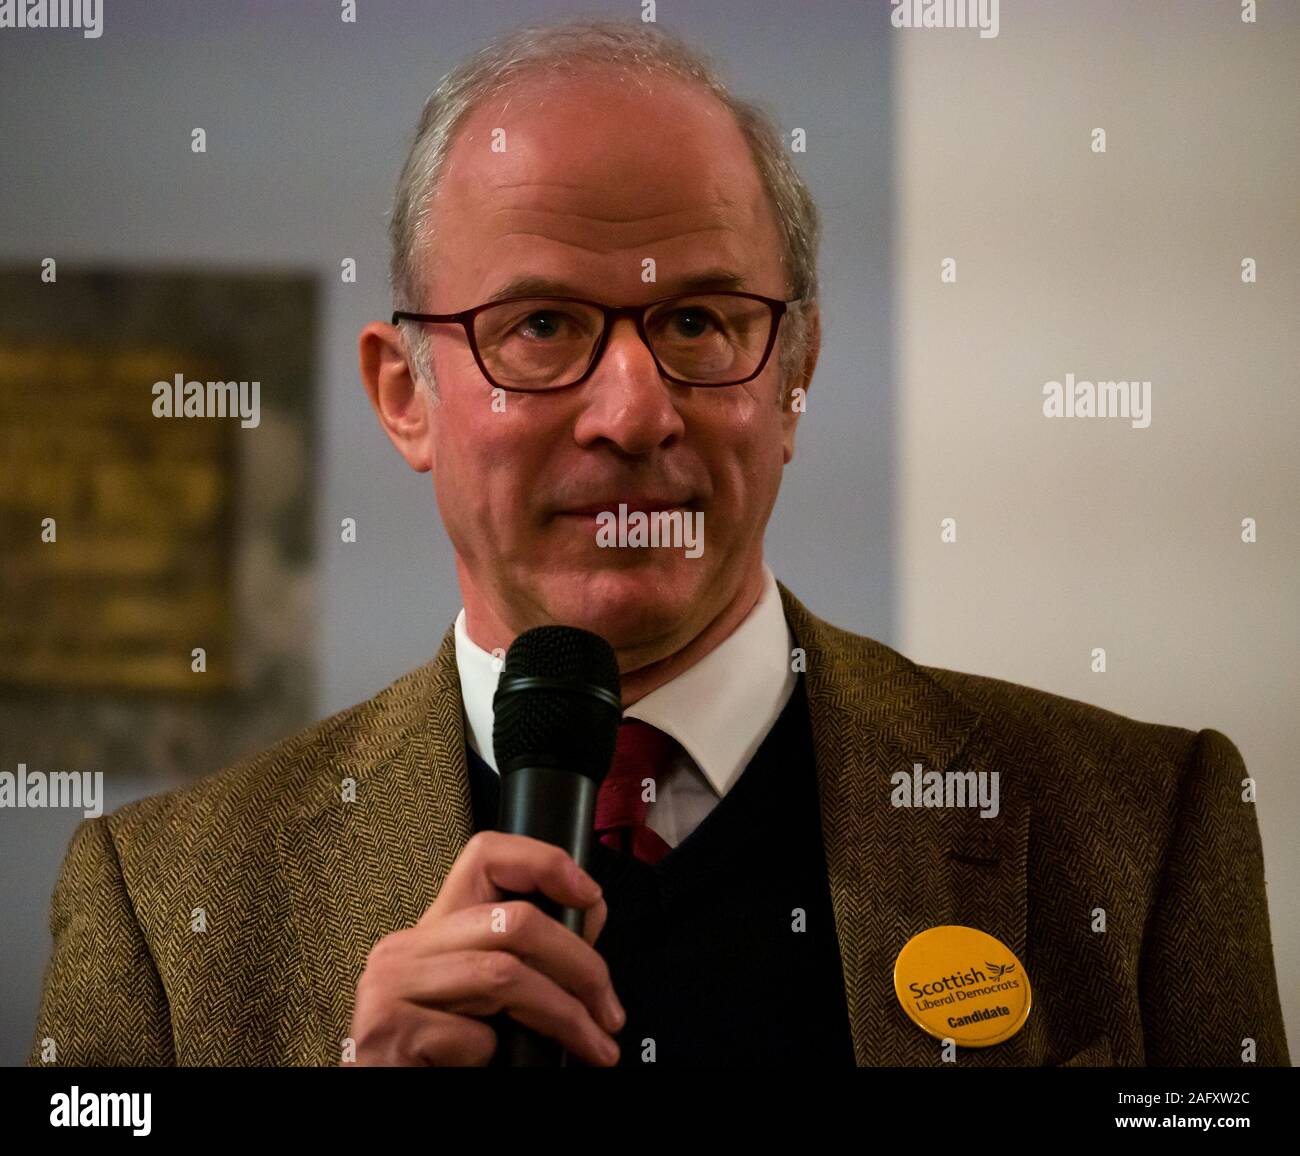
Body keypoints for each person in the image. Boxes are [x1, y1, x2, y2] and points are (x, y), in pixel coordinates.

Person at [29, 18, 1288, 1068]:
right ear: (404, 394)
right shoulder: (169, 909)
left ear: (794, 375)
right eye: (537, 326)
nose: (633, 411)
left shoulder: (1133, 825)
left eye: (697, 319)